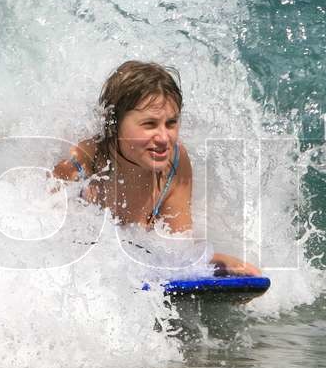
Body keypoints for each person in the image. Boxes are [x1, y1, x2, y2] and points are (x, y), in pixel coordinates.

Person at [52, 60, 259, 276]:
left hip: (137, 259)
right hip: (85, 263)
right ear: (114, 124)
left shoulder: (174, 163)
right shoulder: (84, 161)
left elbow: (178, 250)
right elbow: (48, 231)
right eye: (149, 124)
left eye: (171, 123)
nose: (163, 138)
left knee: (249, 271)